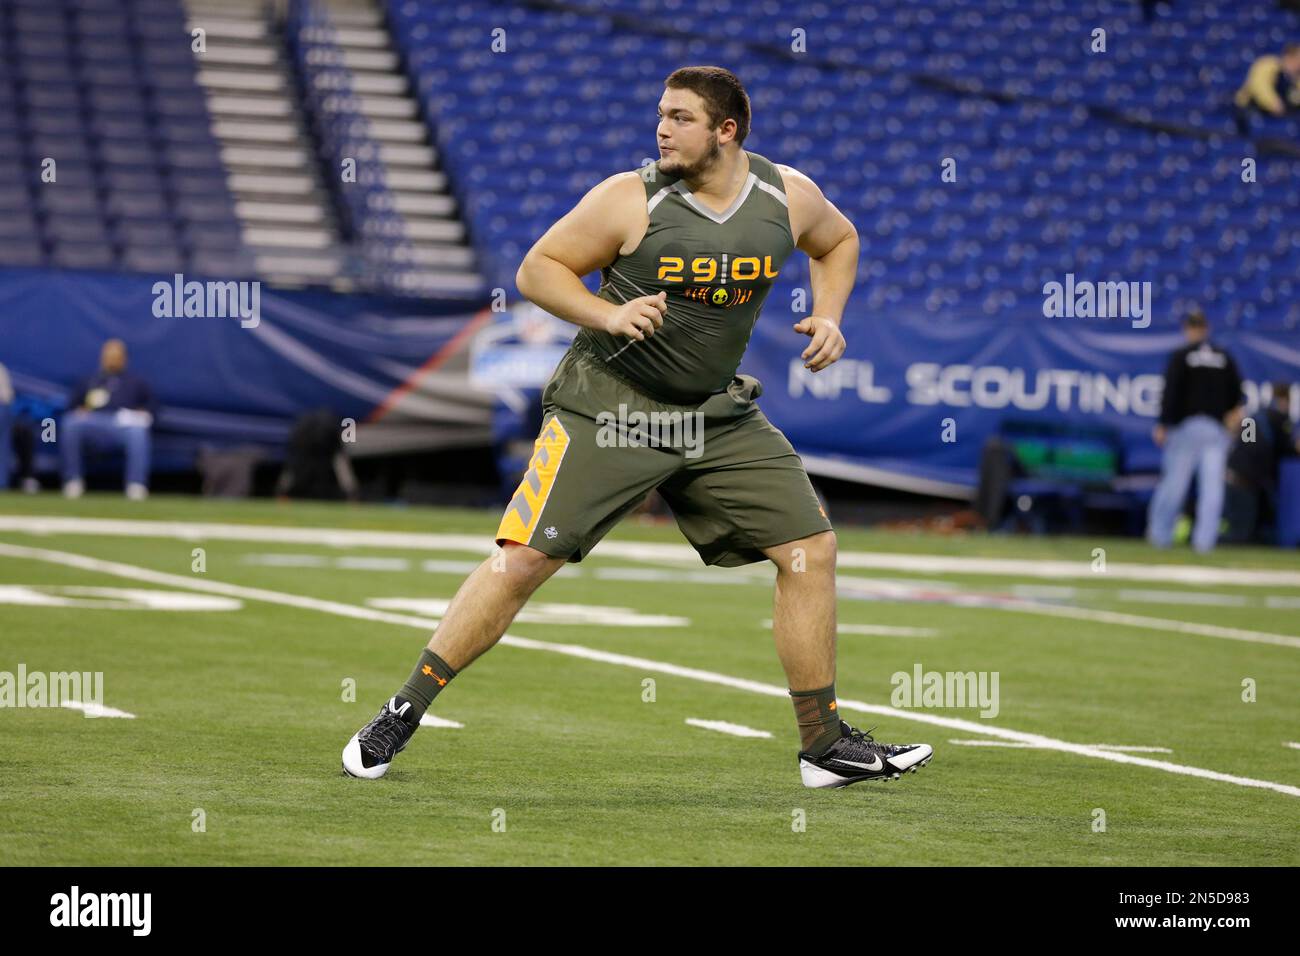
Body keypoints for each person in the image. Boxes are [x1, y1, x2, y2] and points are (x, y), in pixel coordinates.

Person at [342, 65, 933, 788]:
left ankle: (823, 746)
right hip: (611, 404)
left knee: (811, 549)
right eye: (660, 113)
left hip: (713, 414)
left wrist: (832, 314)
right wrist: (608, 313)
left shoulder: (788, 195)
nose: (661, 128)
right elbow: (539, 269)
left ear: (727, 131)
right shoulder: (631, 198)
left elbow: (839, 241)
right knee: (524, 559)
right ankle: (401, 711)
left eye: (680, 117)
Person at [1147, 310, 1244, 552]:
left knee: (1174, 485)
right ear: (1207, 328)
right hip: (1215, 430)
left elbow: (1170, 393)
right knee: (1212, 489)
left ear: (1188, 329)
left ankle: (1159, 536)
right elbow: (1237, 400)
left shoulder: (1182, 356)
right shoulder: (1224, 357)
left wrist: (1162, 424)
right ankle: (1204, 543)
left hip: (1186, 428)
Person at [60, 339, 156, 500]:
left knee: (138, 431)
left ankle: (136, 484)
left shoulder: (136, 382)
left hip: (123, 425)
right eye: (109, 356)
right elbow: (72, 405)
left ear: (124, 358)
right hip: (93, 422)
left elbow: (153, 407)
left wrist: (142, 413)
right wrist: (79, 410)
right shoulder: (90, 380)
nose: (112, 360)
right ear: (102, 358)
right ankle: (73, 480)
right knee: (70, 423)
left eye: (116, 356)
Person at [1233, 43, 1300, 136]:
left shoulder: (1295, 77)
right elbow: (1258, 85)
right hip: (1252, 110)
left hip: (1280, 114)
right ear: (1289, 56)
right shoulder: (1269, 64)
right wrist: (1273, 103)